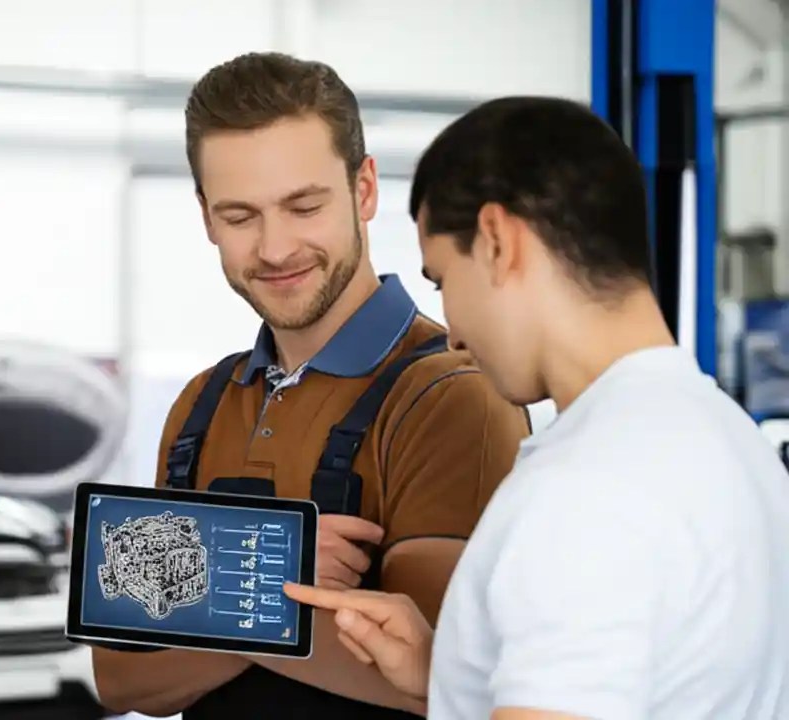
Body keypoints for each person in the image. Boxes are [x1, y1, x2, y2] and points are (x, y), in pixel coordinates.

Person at [285, 95, 789, 719]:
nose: (455, 333)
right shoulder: (733, 443)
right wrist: (449, 676)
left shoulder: (587, 489)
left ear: (497, 240)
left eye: (444, 281)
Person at [89, 52, 531, 719]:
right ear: (206, 217)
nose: (274, 248)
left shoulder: (454, 395)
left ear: (364, 191)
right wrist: (269, 570)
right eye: (240, 216)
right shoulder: (200, 407)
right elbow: (123, 680)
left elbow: (432, 682)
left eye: (303, 206)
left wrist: (215, 578)